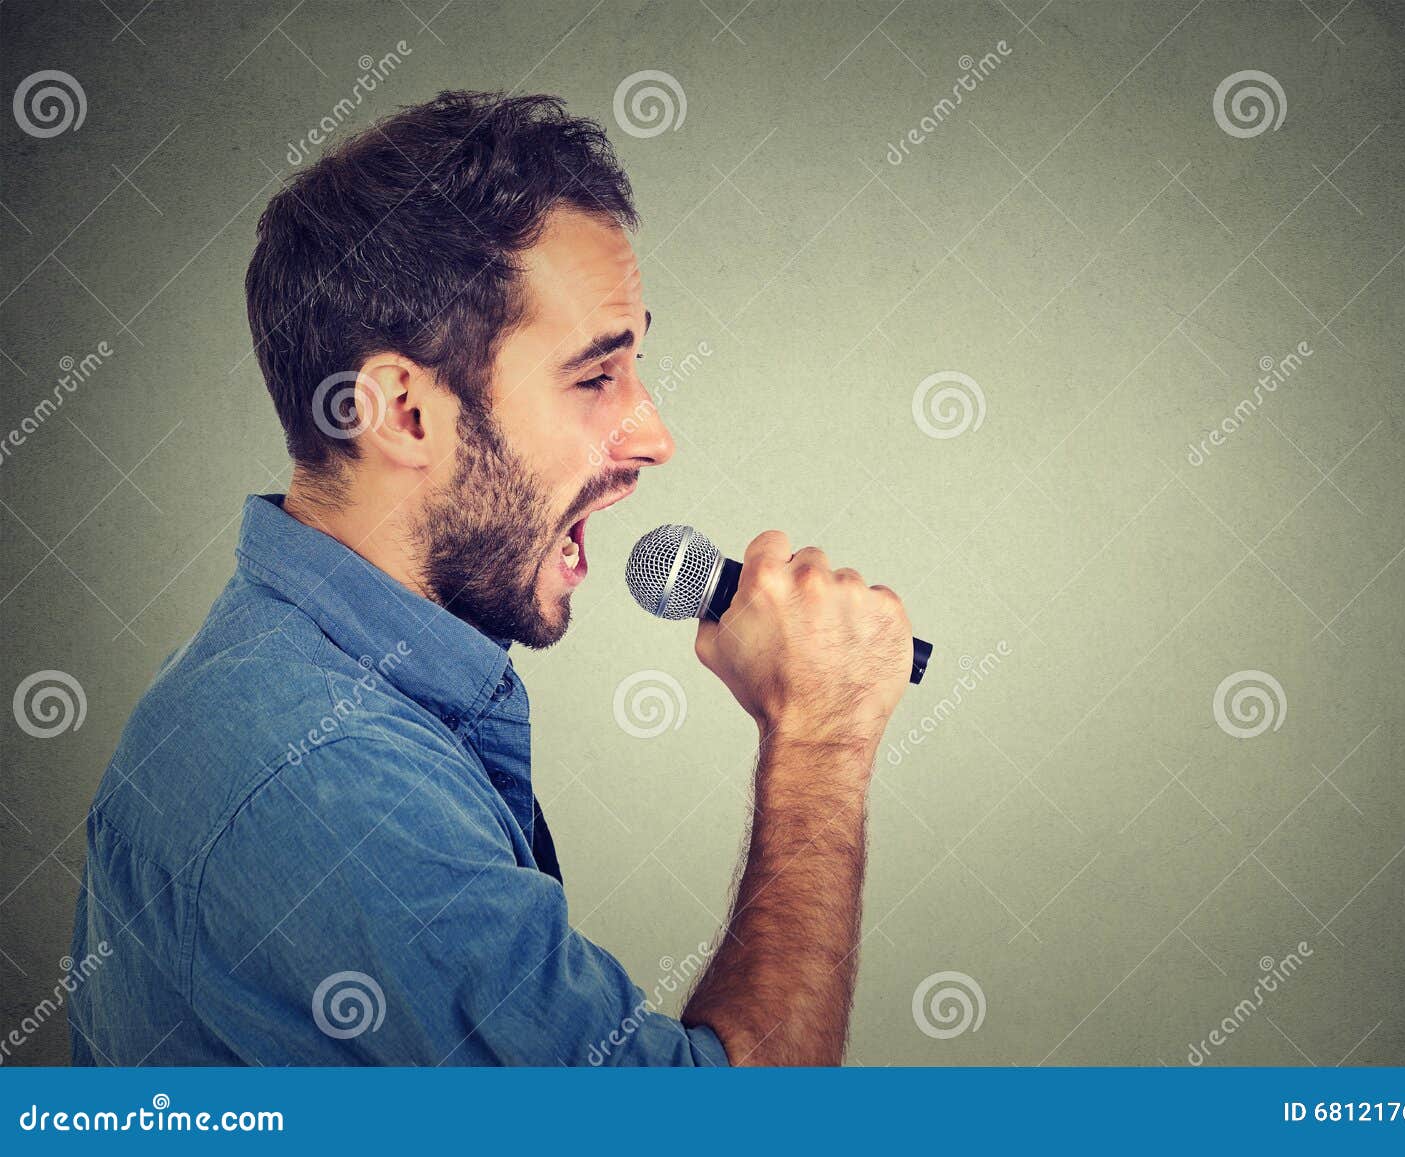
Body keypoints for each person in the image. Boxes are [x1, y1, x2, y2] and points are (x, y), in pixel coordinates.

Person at [67, 90, 911, 1067]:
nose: (654, 435)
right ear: (404, 415)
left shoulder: (260, 674)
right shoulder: (335, 784)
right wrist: (821, 738)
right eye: (596, 376)